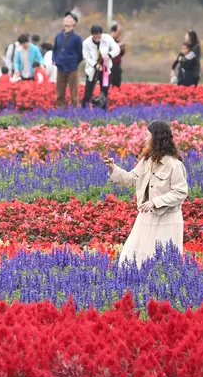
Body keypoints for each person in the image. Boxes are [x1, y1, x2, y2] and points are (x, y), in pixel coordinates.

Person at [103, 120, 189, 265]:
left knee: (162, 260)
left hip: (167, 219)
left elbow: (180, 192)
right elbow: (131, 179)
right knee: (131, 255)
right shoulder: (147, 161)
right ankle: (135, 284)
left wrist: (155, 202)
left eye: (147, 135)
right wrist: (113, 168)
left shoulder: (175, 165)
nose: (144, 138)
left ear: (156, 138)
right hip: (146, 217)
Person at [81, 24, 121, 108]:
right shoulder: (86, 43)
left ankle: (102, 109)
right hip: (92, 69)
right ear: (92, 35)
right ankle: (84, 108)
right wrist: (95, 65)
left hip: (105, 69)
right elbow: (86, 57)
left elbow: (117, 49)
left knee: (104, 90)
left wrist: (109, 55)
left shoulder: (107, 38)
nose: (97, 39)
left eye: (99, 37)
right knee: (88, 91)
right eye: (95, 37)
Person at [52, 12, 84, 108]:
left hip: (72, 67)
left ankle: (75, 109)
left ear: (74, 23)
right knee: (60, 90)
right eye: (66, 17)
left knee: (74, 90)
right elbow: (55, 50)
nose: (67, 19)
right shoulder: (58, 36)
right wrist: (55, 60)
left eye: (70, 18)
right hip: (60, 66)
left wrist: (73, 62)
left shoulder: (77, 38)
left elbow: (80, 54)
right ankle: (60, 108)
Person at [109, 23, 126, 90]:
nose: (119, 35)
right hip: (108, 66)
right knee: (108, 84)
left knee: (117, 84)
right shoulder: (107, 41)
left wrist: (122, 49)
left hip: (117, 65)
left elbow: (120, 54)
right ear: (113, 31)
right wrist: (118, 46)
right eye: (118, 33)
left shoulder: (118, 41)